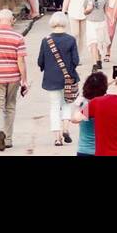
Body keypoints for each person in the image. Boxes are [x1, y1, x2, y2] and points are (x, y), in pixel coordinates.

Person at [0, 8, 28, 151]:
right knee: (10, 106)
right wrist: (24, 79)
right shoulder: (18, 37)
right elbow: (21, 61)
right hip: (13, 76)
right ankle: (8, 139)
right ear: (12, 20)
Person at [36, 13, 80, 148]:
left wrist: (46, 68)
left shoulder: (46, 40)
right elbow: (76, 60)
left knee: (54, 107)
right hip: (68, 78)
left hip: (52, 79)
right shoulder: (71, 40)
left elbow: (40, 61)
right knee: (67, 103)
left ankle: (57, 138)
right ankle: (66, 128)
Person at [73, 70, 109, 155]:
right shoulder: (105, 103)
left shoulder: (86, 105)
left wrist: (77, 106)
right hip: (103, 150)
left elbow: (75, 119)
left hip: (85, 150)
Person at [83, 0, 109, 72]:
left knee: (100, 43)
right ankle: (94, 63)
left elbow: (106, 10)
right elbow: (84, 12)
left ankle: (99, 60)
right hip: (91, 23)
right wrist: (88, 10)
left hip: (101, 22)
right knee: (93, 42)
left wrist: (110, 19)